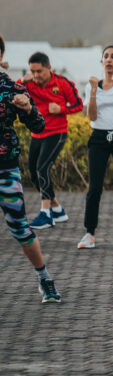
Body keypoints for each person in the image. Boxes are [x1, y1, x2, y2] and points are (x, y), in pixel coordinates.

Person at [0, 35, 62, 302]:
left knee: (20, 228)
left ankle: (44, 278)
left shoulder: (11, 88)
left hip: (5, 170)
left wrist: (28, 109)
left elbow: (38, 126)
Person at [79, 45, 113, 249]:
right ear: (102, 61)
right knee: (94, 188)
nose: (109, 60)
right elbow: (91, 116)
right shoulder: (91, 85)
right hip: (99, 138)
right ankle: (89, 233)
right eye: (106, 57)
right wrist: (94, 90)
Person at [22, 52, 83, 230]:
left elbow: (78, 104)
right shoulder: (28, 83)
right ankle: (57, 208)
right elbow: (12, 92)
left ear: (48, 68)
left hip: (57, 133)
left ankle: (46, 214)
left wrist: (61, 109)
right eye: (32, 72)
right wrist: (22, 81)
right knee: (34, 174)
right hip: (37, 134)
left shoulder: (62, 83)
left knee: (43, 168)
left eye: (39, 71)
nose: (36, 76)